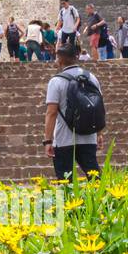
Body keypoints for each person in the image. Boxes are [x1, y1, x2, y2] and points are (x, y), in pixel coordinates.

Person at [44, 43, 101, 181]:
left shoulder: (56, 81)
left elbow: (51, 113)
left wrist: (47, 140)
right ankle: (100, 202)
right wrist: (99, 133)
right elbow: (97, 107)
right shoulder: (91, 77)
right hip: (88, 135)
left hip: (64, 138)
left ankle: (69, 202)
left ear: (60, 60)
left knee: (65, 181)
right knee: (95, 179)